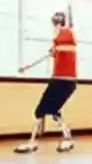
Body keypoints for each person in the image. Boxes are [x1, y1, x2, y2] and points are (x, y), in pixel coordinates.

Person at [15, 11, 77, 154]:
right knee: (54, 111)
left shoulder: (66, 34)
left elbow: (69, 46)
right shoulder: (60, 40)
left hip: (61, 81)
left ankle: (32, 142)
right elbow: (61, 50)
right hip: (67, 83)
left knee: (39, 111)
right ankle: (67, 137)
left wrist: (57, 46)